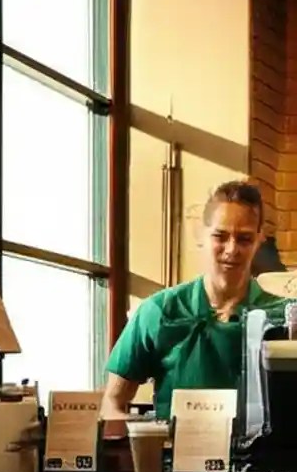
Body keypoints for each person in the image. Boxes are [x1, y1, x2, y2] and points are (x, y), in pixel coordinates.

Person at [102, 180, 289, 420]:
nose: (231, 249)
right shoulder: (160, 311)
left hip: (263, 457)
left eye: (244, 239)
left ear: (259, 239)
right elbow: (111, 404)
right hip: (176, 456)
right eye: (220, 236)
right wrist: (148, 435)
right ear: (201, 234)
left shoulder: (283, 318)